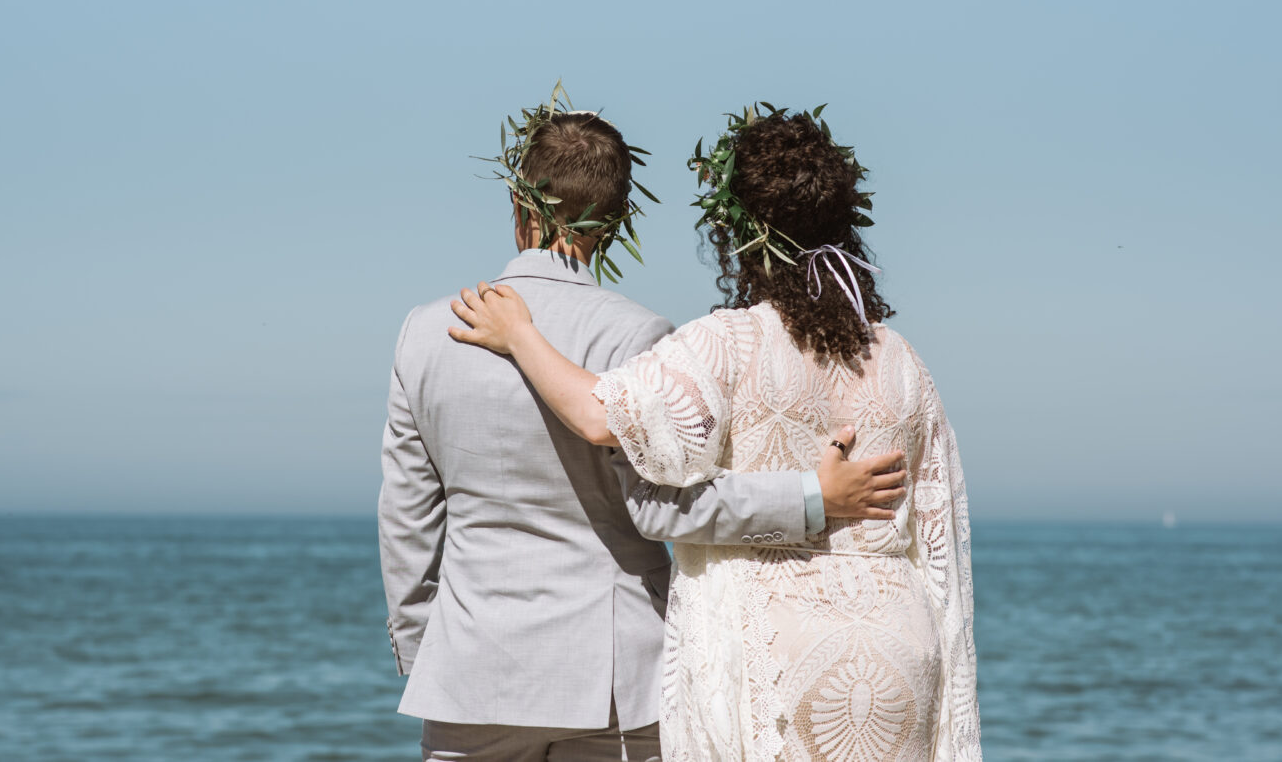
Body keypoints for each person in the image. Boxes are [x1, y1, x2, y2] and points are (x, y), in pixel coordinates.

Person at [380, 93, 909, 761]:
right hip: (613, 673)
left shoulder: (426, 333)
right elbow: (662, 507)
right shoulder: (640, 336)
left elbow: (407, 516)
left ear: (519, 203)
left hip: (470, 672)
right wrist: (811, 499)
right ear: (618, 218)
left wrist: (426, 649)